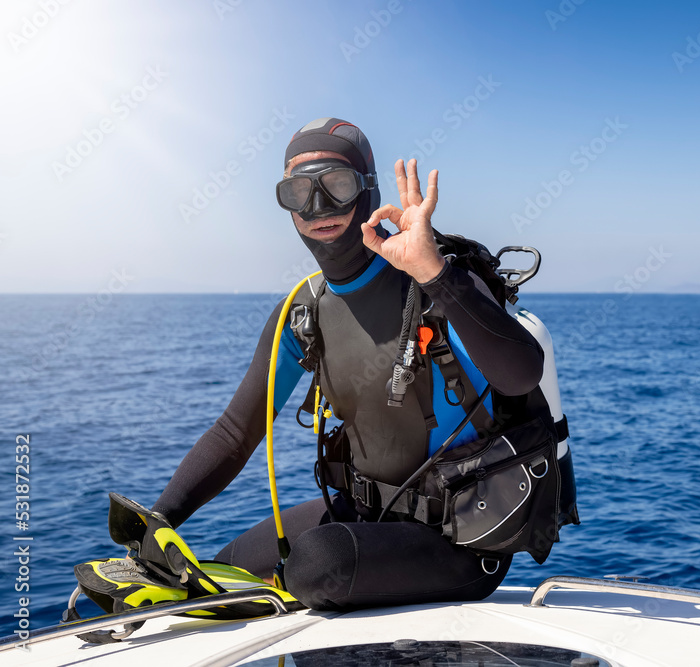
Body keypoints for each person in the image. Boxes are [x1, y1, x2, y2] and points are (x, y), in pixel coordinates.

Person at [150, 118, 552, 611]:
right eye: (299, 192)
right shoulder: (304, 313)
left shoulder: (435, 281)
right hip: (365, 515)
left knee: (317, 565)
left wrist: (434, 273)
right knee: (216, 565)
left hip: (461, 540)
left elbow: (520, 373)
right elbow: (236, 433)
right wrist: (157, 522)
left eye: (336, 186)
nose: (318, 208)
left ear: (368, 191)